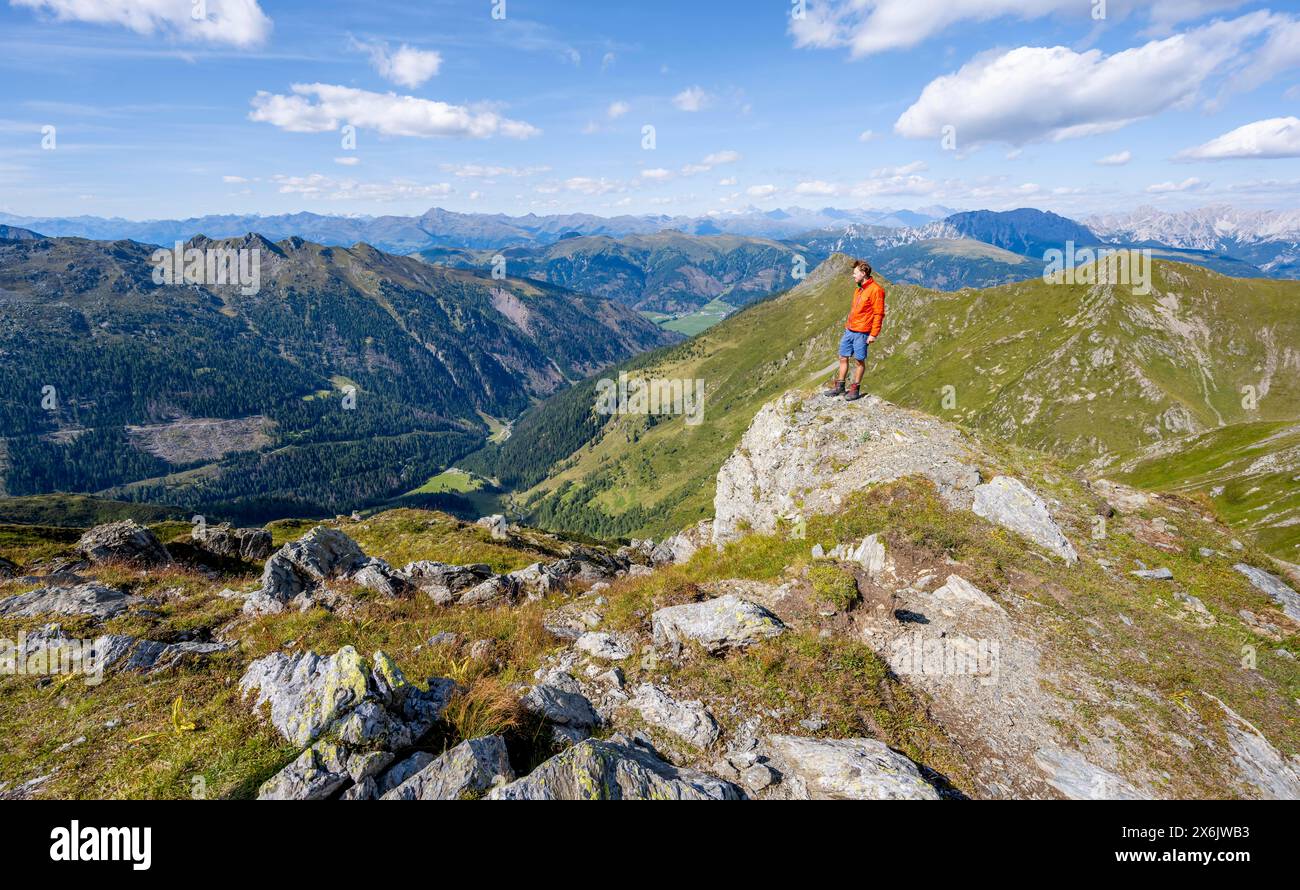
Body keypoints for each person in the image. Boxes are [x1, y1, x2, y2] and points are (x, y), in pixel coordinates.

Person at [824, 259, 885, 401]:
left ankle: (855, 389)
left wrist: (873, 334)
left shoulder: (876, 290)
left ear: (863, 273)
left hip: (862, 332)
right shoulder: (859, 289)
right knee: (842, 357)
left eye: (855, 273)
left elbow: (879, 314)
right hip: (850, 330)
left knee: (859, 361)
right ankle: (839, 386)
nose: (853, 275)